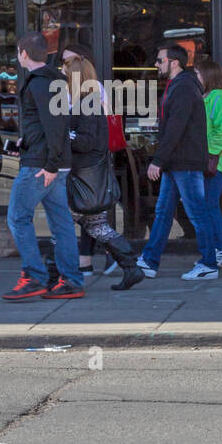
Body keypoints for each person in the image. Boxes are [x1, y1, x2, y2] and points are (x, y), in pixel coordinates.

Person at [2, 32, 84, 301]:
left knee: (17, 217)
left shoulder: (38, 83)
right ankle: (71, 281)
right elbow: (52, 124)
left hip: (42, 167)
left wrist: (49, 164)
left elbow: (55, 125)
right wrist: (28, 141)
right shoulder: (54, 80)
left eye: (17, 52)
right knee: (61, 224)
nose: (18, 56)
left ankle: (34, 277)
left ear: (23, 54)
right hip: (54, 163)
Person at [61, 54, 143, 291]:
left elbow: (86, 142)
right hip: (90, 176)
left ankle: (51, 274)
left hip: (83, 176)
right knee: (98, 226)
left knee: (63, 224)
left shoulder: (86, 104)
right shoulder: (91, 102)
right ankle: (131, 267)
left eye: (67, 76)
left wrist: (64, 137)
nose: (63, 80)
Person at [136, 44, 218, 281]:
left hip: (186, 162)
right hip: (177, 162)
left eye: (160, 60)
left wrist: (158, 160)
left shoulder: (183, 87)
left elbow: (176, 127)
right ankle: (150, 261)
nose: (156, 64)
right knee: (163, 212)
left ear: (174, 63)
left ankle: (209, 263)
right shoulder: (180, 85)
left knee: (196, 213)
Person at [196, 59, 222, 270]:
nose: (196, 78)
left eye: (198, 74)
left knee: (209, 206)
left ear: (208, 76)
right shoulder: (209, 97)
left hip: (216, 162)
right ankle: (216, 249)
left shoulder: (220, 98)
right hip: (211, 160)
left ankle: (220, 250)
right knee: (207, 206)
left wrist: (207, 151)